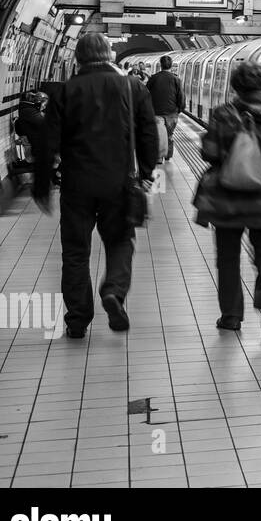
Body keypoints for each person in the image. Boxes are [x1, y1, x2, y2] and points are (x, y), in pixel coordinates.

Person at [34, 32, 159, 338]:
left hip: (77, 184)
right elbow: (147, 133)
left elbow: (46, 143)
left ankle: (77, 318)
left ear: (77, 58)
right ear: (110, 56)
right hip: (119, 182)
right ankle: (113, 291)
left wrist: (41, 184)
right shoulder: (132, 87)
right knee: (119, 241)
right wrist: (146, 171)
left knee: (75, 252)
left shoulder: (64, 92)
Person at [194, 60, 261, 334]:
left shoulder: (223, 113)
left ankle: (231, 316)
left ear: (235, 87)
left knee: (228, 257)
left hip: (227, 200)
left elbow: (211, 152)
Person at [146, 55, 184, 161]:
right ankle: (168, 155)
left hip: (156, 112)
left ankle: (159, 157)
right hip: (172, 113)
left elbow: (146, 93)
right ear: (171, 65)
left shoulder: (153, 78)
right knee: (169, 134)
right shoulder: (176, 79)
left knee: (158, 135)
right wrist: (180, 109)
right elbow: (181, 96)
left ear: (161, 65)